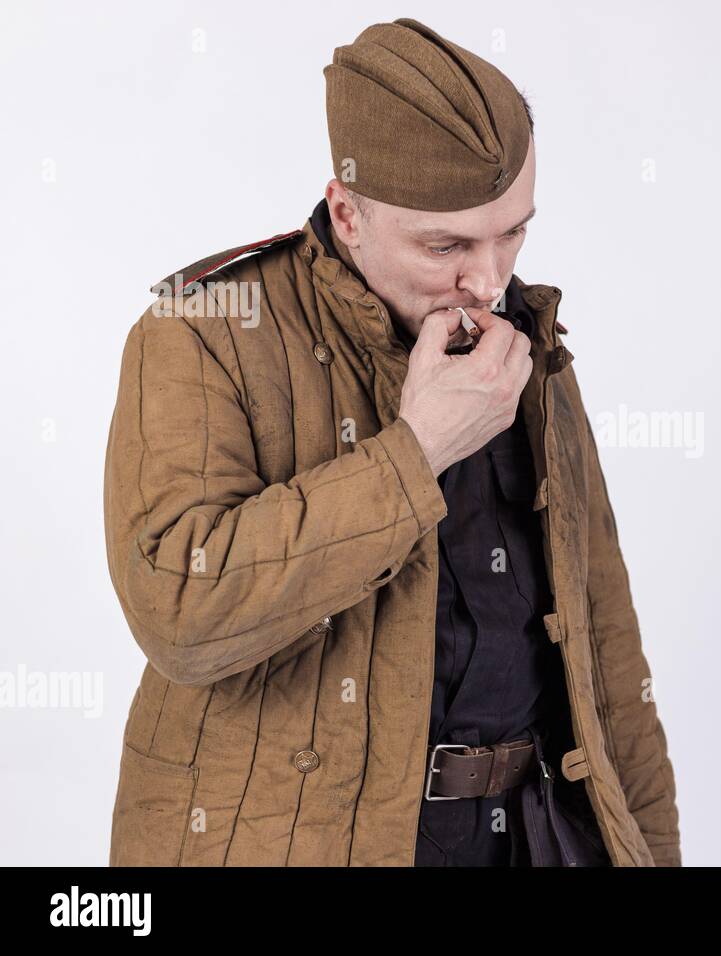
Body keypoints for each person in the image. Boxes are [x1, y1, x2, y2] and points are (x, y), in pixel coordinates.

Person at [102, 17, 680, 867]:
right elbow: (180, 613)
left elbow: (604, 639)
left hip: (536, 838)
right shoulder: (206, 329)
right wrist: (418, 452)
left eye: (513, 231)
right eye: (445, 244)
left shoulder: (524, 339)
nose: (488, 279)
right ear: (348, 211)